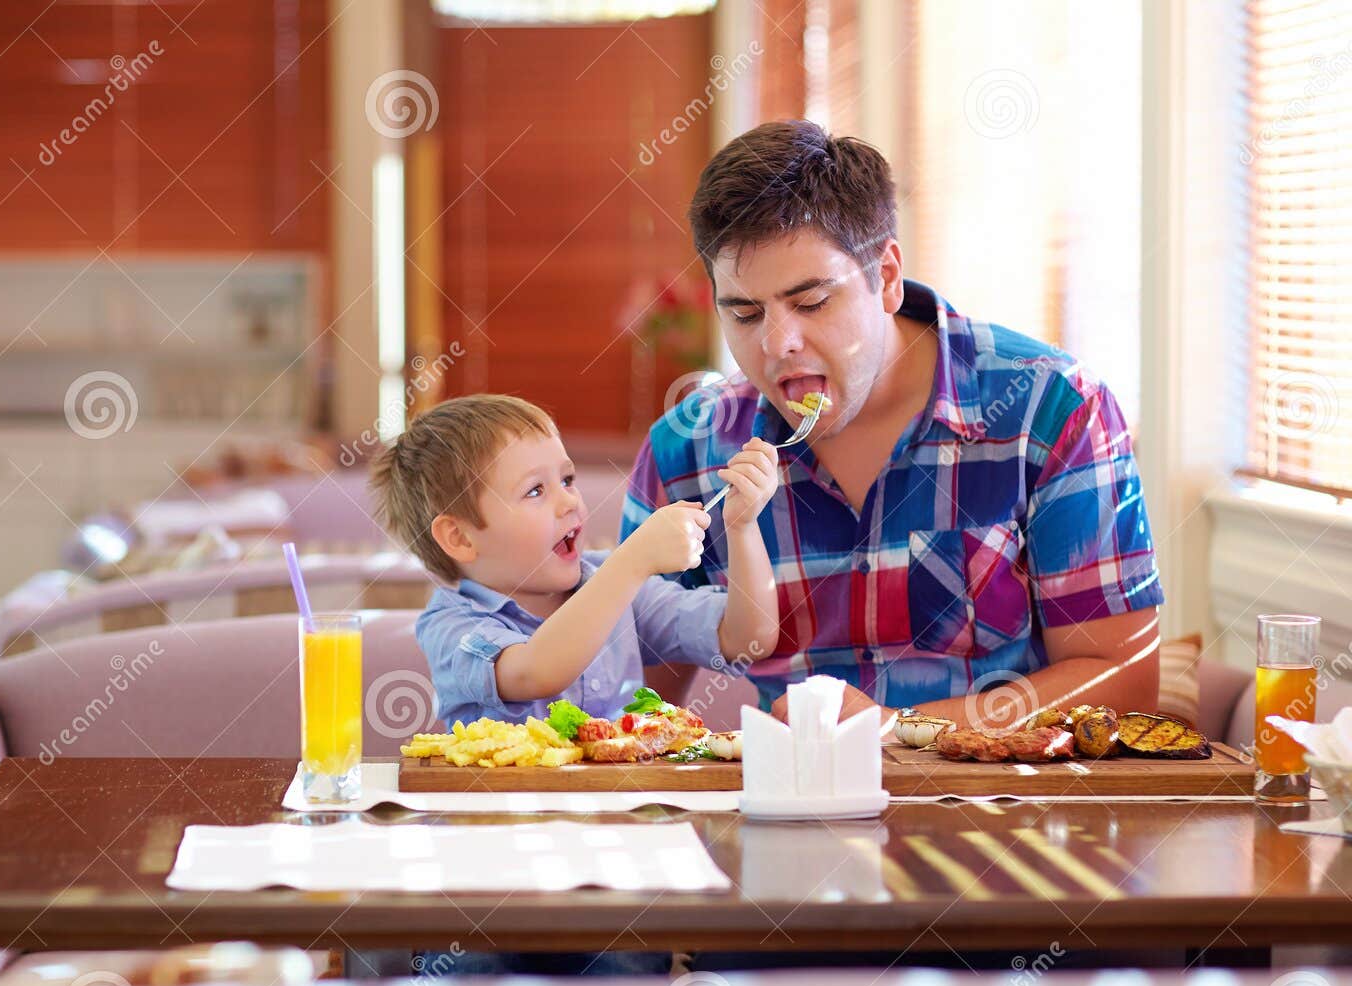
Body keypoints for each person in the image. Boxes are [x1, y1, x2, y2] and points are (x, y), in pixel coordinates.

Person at [623, 120, 1163, 728]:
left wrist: (895, 730)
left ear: (885, 278)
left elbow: (1124, 678)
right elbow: (626, 695)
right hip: (788, 788)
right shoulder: (687, 451)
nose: (777, 344)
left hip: (1004, 789)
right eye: (746, 314)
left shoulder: (1053, 409)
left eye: (811, 303)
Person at [370, 393, 781, 729]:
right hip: (502, 808)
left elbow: (749, 639)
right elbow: (534, 672)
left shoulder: (611, 581)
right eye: (535, 491)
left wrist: (742, 527)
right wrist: (632, 561)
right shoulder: (452, 625)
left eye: (567, 480)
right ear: (459, 538)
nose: (569, 501)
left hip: (621, 804)